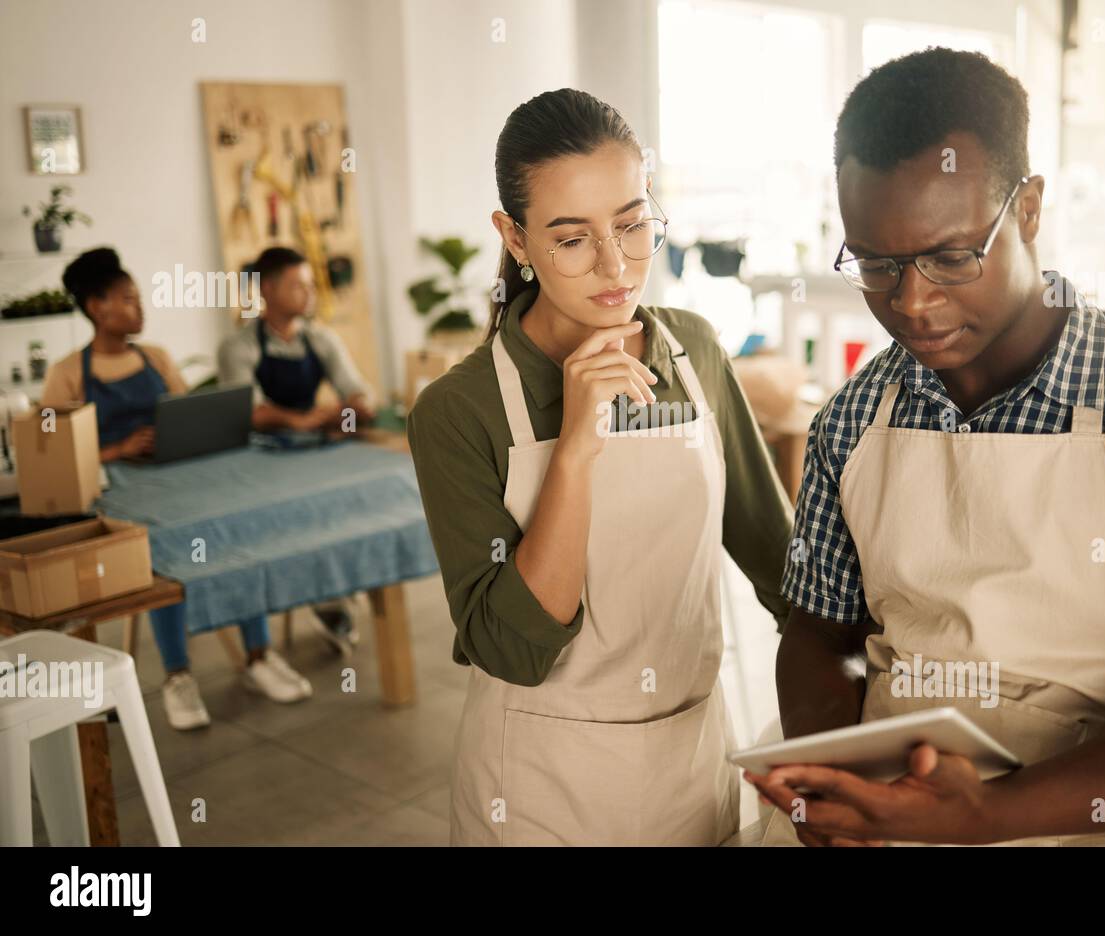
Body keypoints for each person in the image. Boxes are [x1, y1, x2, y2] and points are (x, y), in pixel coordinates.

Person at [748, 48, 1105, 847]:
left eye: (950, 256)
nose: (912, 302)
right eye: (877, 264)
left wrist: (986, 816)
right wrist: (833, 782)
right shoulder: (852, 421)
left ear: (1029, 210)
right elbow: (819, 637)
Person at [407, 89, 793, 845]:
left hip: (693, 766)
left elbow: (778, 560)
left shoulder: (695, 352)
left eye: (632, 223)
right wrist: (577, 447)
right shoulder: (459, 411)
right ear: (514, 239)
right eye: (572, 239)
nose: (617, 266)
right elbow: (513, 648)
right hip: (541, 790)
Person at [45, 247, 313, 731]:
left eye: (139, 297)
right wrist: (117, 448)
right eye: (127, 299)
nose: (139, 308)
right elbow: (52, 457)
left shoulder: (158, 359)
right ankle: (177, 676)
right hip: (121, 495)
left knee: (237, 535)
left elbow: (190, 420)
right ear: (95, 307)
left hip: (177, 480)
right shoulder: (66, 374)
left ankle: (258, 655)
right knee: (163, 553)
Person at [217, 246, 374, 652]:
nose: (308, 294)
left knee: (354, 504)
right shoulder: (238, 347)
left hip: (315, 452)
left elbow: (361, 398)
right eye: (297, 285)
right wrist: (309, 418)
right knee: (298, 520)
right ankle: (328, 598)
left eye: (309, 284)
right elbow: (251, 414)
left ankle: (335, 589)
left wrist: (338, 414)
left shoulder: (321, 338)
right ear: (267, 289)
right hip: (261, 460)